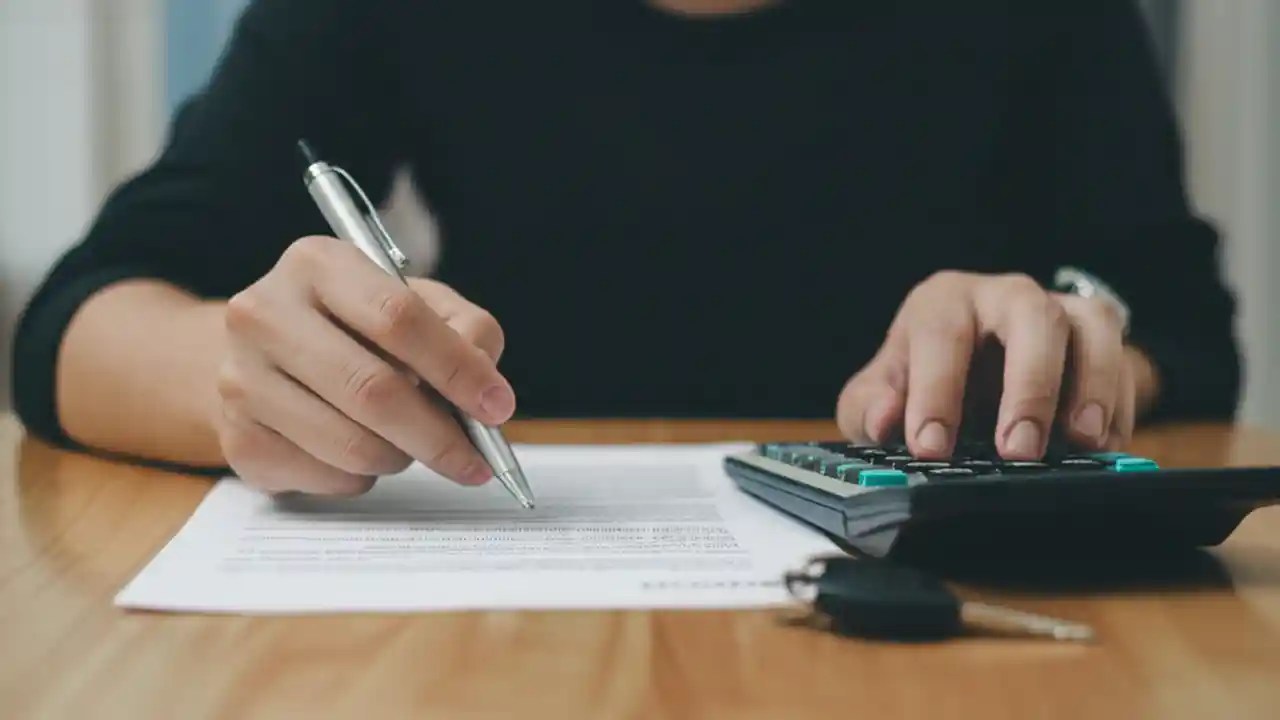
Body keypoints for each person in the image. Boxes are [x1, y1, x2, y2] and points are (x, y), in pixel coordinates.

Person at [11, 0, 1240, 497]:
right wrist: (242, 384)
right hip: (516, 617)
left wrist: (1075, 348)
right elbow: (74, 322)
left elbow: (1184, 330)